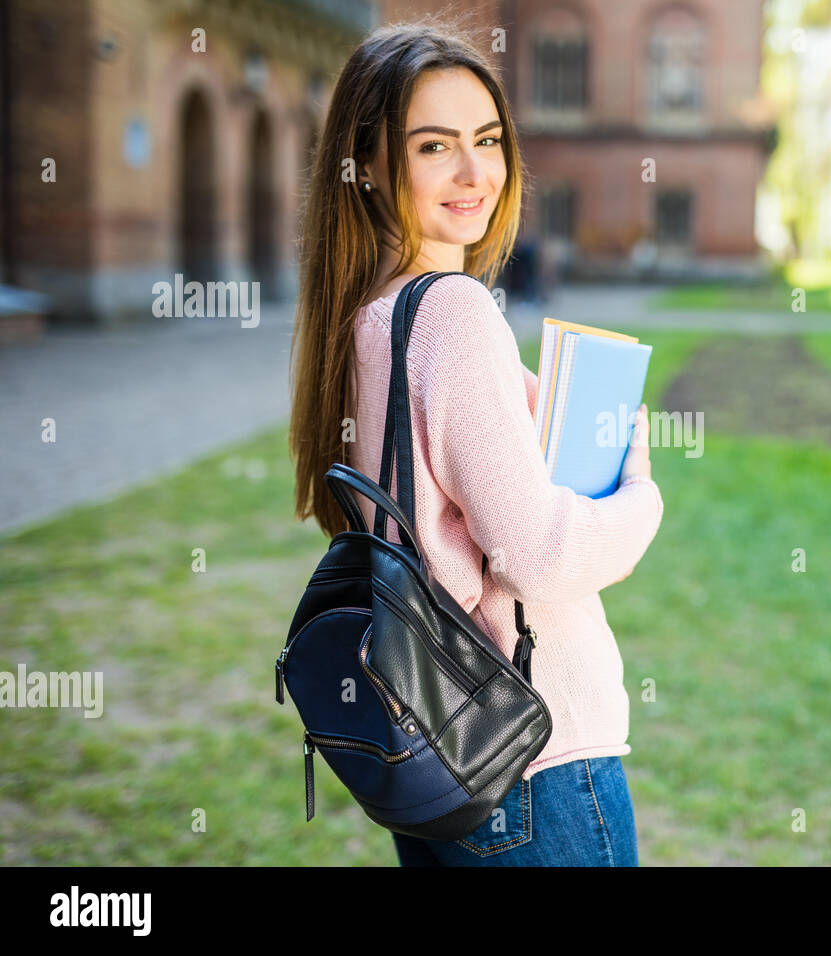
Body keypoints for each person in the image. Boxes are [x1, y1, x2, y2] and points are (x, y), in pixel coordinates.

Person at [287, 19, 663, 866]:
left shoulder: (365, 317)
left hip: (437, 760)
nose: (475, 172)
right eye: (433, 147)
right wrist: (640, 498)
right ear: (371, 163)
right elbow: (537, 555)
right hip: (532, 766)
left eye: (487, 140)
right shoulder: (451, 313)